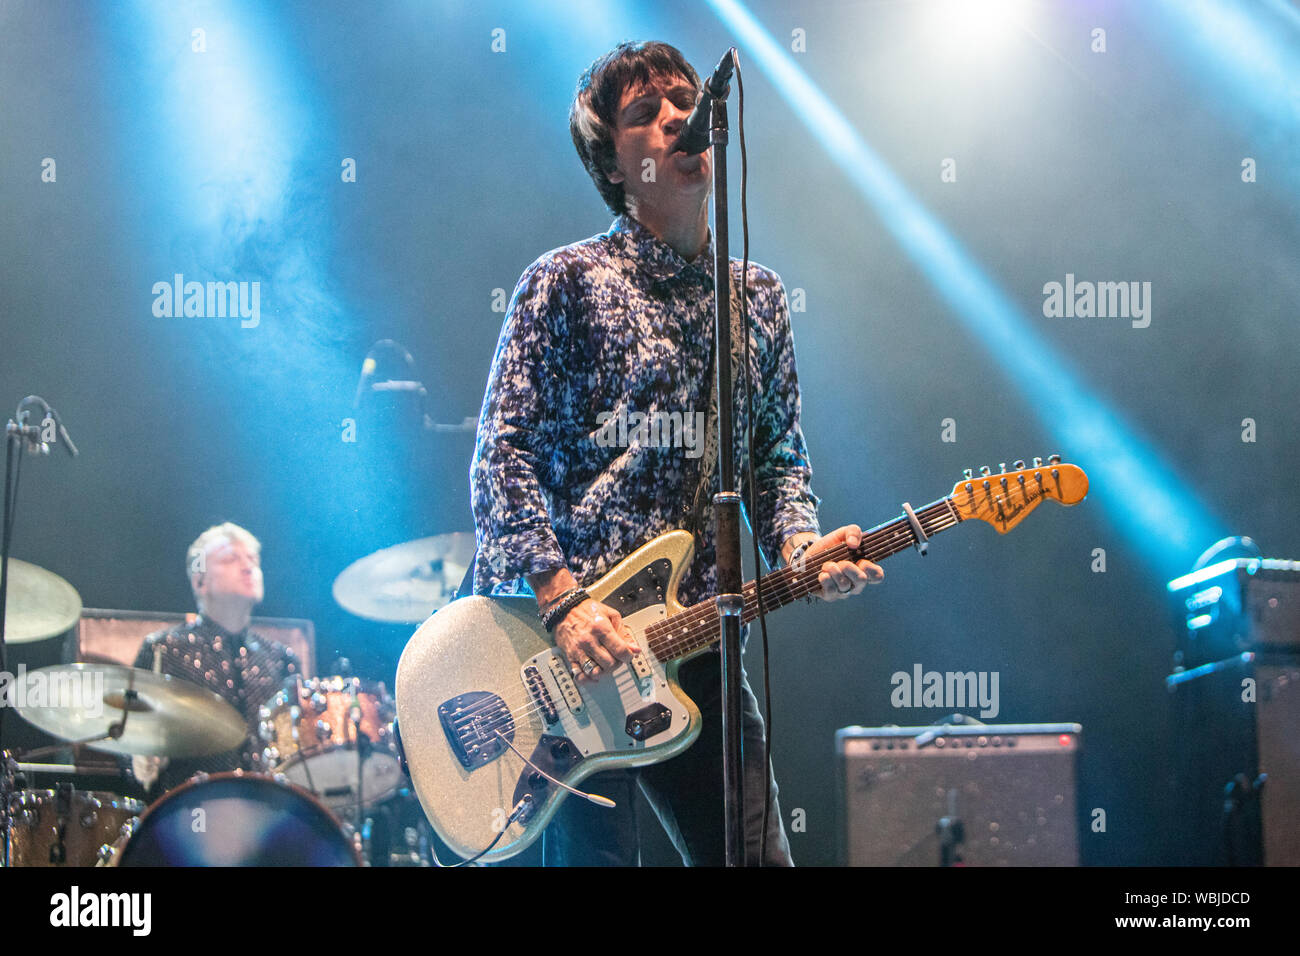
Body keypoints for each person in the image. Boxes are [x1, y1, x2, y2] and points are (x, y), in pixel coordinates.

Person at [469, 40, 882, 866]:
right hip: (575, 656)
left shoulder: (757, 297)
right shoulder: (566, 281)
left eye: (684, 102)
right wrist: (561, 598)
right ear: (613, 165)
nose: (675, 121)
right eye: (643, 114)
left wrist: (803, 547)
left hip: (698, 640)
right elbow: (500, 455)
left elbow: (775, 459)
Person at [130, 522, 300, 794]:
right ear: (200, 581)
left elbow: (294, 752)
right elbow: (127, 739)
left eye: (253, 560)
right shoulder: (165, 650)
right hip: (191, 811)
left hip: (270, 810)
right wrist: (138, 759)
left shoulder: (281, 659)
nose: (248, 568)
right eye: (230, 559)